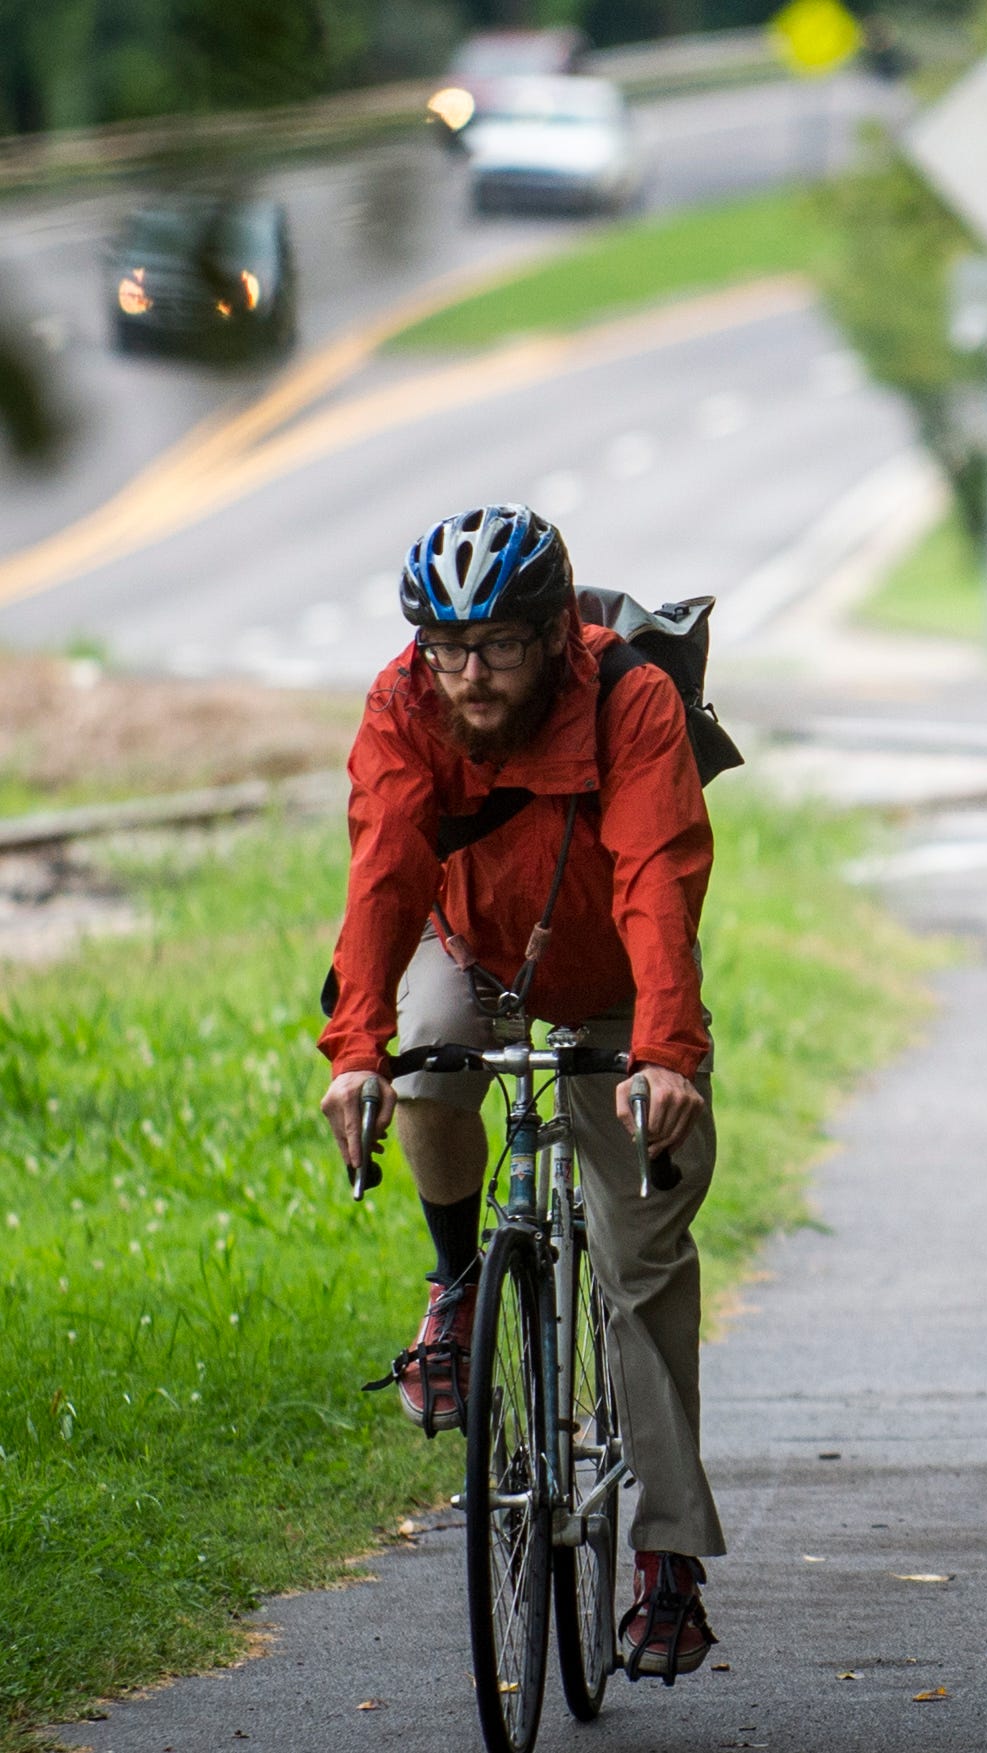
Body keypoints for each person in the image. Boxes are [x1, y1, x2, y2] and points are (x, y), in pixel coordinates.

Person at [313, 503, 725, 1679]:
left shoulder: (629, 699)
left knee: (641, 1258)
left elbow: (656, 872)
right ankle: (454, 1286)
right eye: (445, 648)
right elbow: (386, 863)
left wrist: (665, 1054)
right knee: (427, 1062)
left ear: (554, 634)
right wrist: (356, 1051)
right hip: (474, 946)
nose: (467, 675)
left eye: (494, 645)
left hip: (611, 982)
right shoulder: (405, 703)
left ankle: (666, 1561)